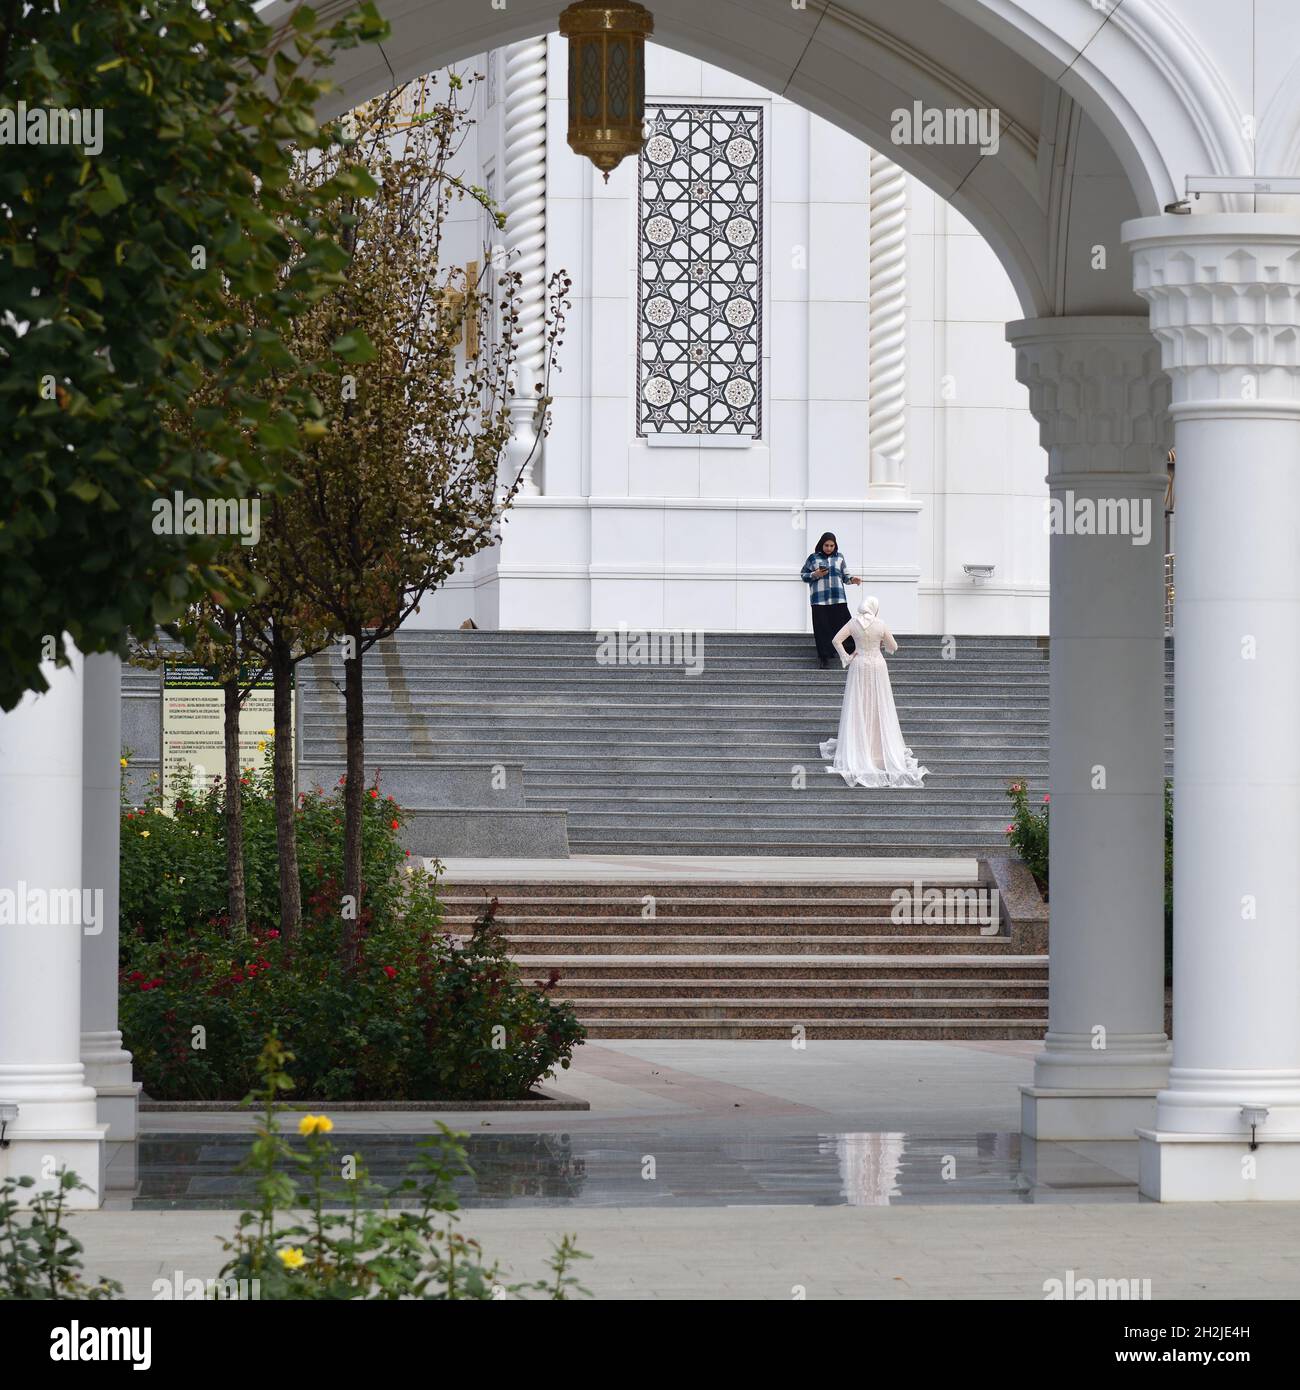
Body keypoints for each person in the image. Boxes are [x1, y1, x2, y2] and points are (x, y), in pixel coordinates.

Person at [820, 595, 929, 788]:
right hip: (877, 666)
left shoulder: (853, 623)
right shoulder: (880, 624)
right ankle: (878, 749)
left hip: (859, 664)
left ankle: (860, 746)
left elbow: (836, 640)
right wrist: (882, 645)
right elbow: (893, 646)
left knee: (859, 703)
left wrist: (847, 657)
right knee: (878, 704)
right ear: (875, 608)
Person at [800, 532, 861, 668]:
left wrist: (852, 580)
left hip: (838, 598)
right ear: (821, 544)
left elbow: (845, 576)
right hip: (819, 600)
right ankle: (824, 657)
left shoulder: (839, 557)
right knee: (822, 628)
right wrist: (815, 574)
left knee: (845, 626)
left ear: (835, 545)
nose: (829, 548)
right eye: (826, 545)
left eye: (831, 545)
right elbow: (803, 575)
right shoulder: (813, 558)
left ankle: (852, 651)